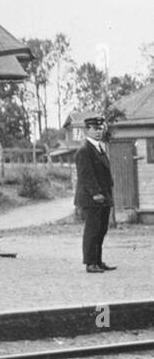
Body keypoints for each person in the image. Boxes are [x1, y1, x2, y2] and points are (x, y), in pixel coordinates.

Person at [73, 113, 116, 273]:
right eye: (95, 129)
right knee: (92, 230)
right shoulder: (84, 150)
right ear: (87, 130)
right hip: (92, 198)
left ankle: (98, 261)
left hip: (103, 196)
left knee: (101, 230)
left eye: (100, 128)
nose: (98, 131)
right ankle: (90, 263)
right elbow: (86, 175)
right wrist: (96, 193)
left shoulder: (98, 148)